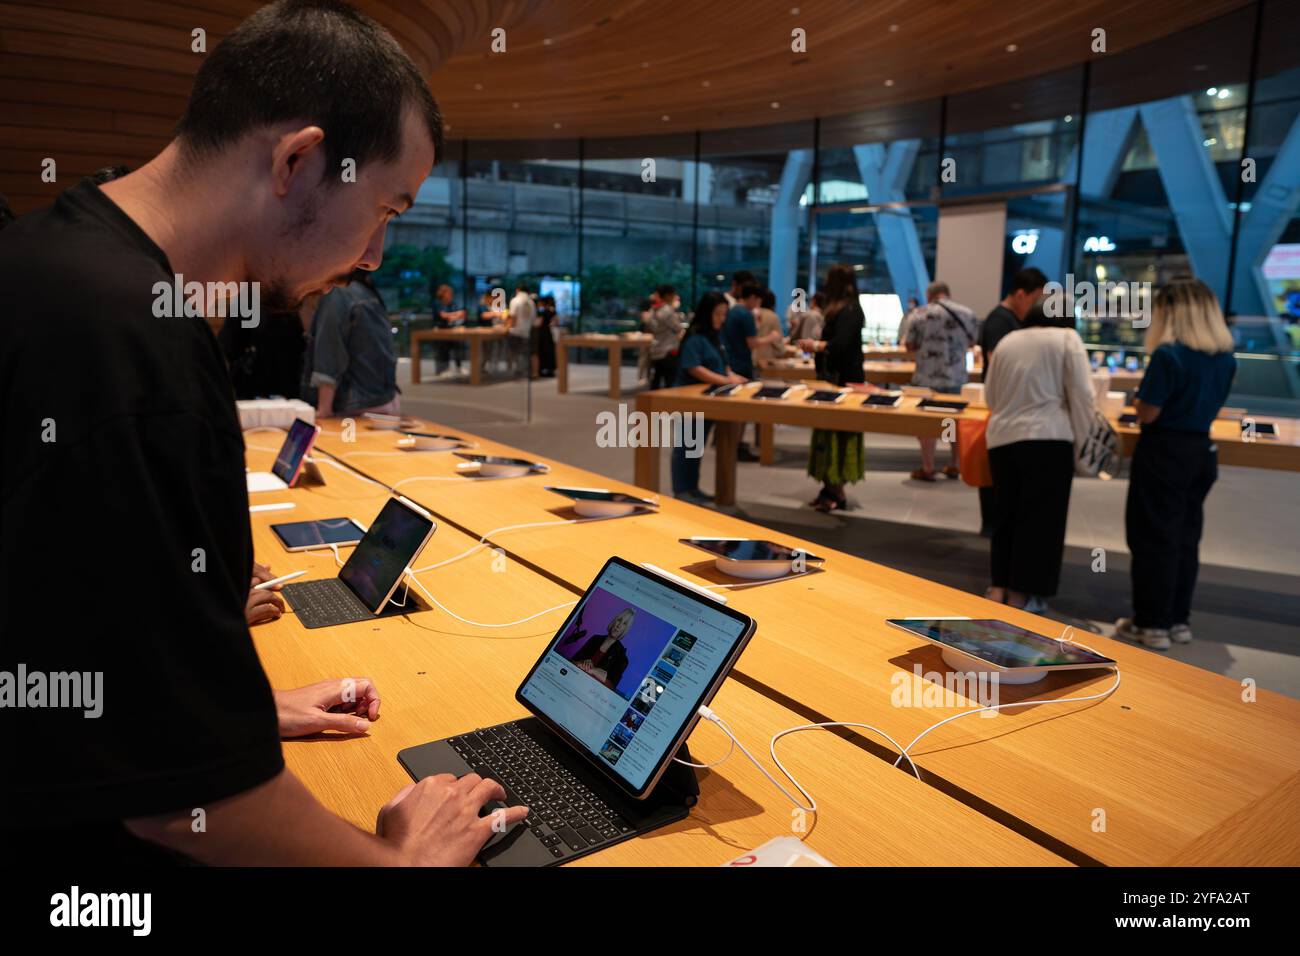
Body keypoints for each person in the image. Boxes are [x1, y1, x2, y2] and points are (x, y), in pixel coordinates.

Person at [0, 0, 526, 866]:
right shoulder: (134, 347)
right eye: (386, 210)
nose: (375, 258)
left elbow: (61, 627)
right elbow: (187, 806)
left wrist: (217, 709)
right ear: (299, 159)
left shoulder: (57, 259)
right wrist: (402, 862)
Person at [1116, 279, 1237, 650]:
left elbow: (1148, 413)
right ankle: (1177, 619)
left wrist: (1138, 400)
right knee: (1186, 538)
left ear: (1172, 311)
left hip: (1163, 453)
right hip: (1200, 452)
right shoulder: (1225, 358)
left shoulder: (1169, 356)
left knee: (1153, 537)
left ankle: (1151, 622)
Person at [983, 303, 1095, 611]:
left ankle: (998, 588)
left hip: (1002, 439)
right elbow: (1084, 396)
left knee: (1005, 516)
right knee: (1041, 521)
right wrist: (1084, 447)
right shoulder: (1067, 339)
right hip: (1049, 439)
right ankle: (1023, 596)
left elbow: (990, 396)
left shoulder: (1008, 340)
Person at [797, 264, 877, 512]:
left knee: (839, 436)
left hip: (845, 382)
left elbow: (841, 345)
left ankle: (835, 489)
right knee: (827, 435)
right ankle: (829, 488)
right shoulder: (842, 309)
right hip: (832, 381)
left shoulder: (851, 310)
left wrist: (817, 346)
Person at [975, 267, 1048, 534]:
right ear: (1020, 294)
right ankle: (993, 526)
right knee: (996, 477)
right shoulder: (999, 321)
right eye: (1036, 298)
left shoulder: (1013, 321)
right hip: (1003, 409)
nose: (1038, 306)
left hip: (1011, 410)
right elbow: (998, 364)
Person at [671, 292, 746, 501]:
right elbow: (694, 368)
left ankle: (691, 487)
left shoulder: (714, 337)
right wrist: (726, 381)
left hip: (708, 400)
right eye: (718, 314)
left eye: (724, 315)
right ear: (707, 313)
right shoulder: (695, 338)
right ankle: (682, 489)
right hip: (690, 400)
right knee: (687, 446)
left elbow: (723, 365)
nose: (722, 319)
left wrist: (733, 376)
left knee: (696, 446)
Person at [302, 268, 399, 418]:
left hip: (353, 407)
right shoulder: (366, 293)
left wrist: (323, 409)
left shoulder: (337, 293)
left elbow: (329, 352)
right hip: (383, 401)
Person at [905, 280, 977, 480]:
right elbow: (972, 342)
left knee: (927, 424)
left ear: (930, 295)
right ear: (947, 294)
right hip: (956, 376)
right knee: (953, 421)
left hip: (927, 378)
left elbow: (909, 345)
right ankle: (955, 464)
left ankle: (928, 467)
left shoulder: (920, 314)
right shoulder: (967, 313)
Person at [721, 281, 781, 461]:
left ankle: (731, 444)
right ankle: (737, 446)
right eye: (757, 302)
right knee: (741, 409)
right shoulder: (745, 314)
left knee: (732, 408)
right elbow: (752, 343)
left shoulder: (732, 312)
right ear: (753, 298)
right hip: (742, 363)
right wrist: (772, 337)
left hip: (731, 361)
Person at [218, 303, 307, 400]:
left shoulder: (296, 301)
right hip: (252, 392)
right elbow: (225, 350)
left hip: (291, 391)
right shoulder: (248, 300)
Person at [566, 607, 636, 692]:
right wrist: (583, 662)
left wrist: (592, 670)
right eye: (619, 620)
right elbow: (572, 661)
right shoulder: (595, 639)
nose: (619, 625)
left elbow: (611, 685)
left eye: (624, 624)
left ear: (625, 630)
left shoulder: (622, 657)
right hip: (572, 681)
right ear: (614, 621)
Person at [643, 283, 683, 390]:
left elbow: (649, 325)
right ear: (668, 296)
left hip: (656, 348)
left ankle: (652, 405)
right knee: (670, 382)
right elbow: (678, 328)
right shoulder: (668, 310)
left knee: (655, 381)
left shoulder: (653, 309)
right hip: (668, 350)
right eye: (673, 295)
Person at [432, 281, 466, 377]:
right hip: (440, 330)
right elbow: (443, 315)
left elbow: (459, 315)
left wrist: (454, 315)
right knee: (442, 350)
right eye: (448, 293)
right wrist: (455, 314)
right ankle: (441, 370)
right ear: (443, 293)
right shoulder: (437, 303)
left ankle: (458, 367)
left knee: (456, 347)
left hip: (451, 329)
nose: (450, 295)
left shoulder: (451, 304)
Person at [506, 280, 536, 378]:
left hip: (515, 331)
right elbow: (533, 319)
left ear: (518, 290)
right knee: (524, 353)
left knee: (513, 352)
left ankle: (513, 370)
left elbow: (512, 317)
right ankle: (522, 370)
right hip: (526, 331)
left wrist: (507, 326)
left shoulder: (515, 300)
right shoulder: (531, 302)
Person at [753, 288, 784, 364]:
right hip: (767, 359)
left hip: (750, 358)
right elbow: (778, 343)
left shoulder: (751, 313)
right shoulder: (773, 316)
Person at [536, 293, 558, 377]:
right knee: (549, 351)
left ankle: (542, 369)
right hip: (548, 333)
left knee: (542, 351)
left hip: (542, 333)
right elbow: (556, 321)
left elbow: (539, 323)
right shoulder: (552, 310)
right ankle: (550, 369)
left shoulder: (542, 312)